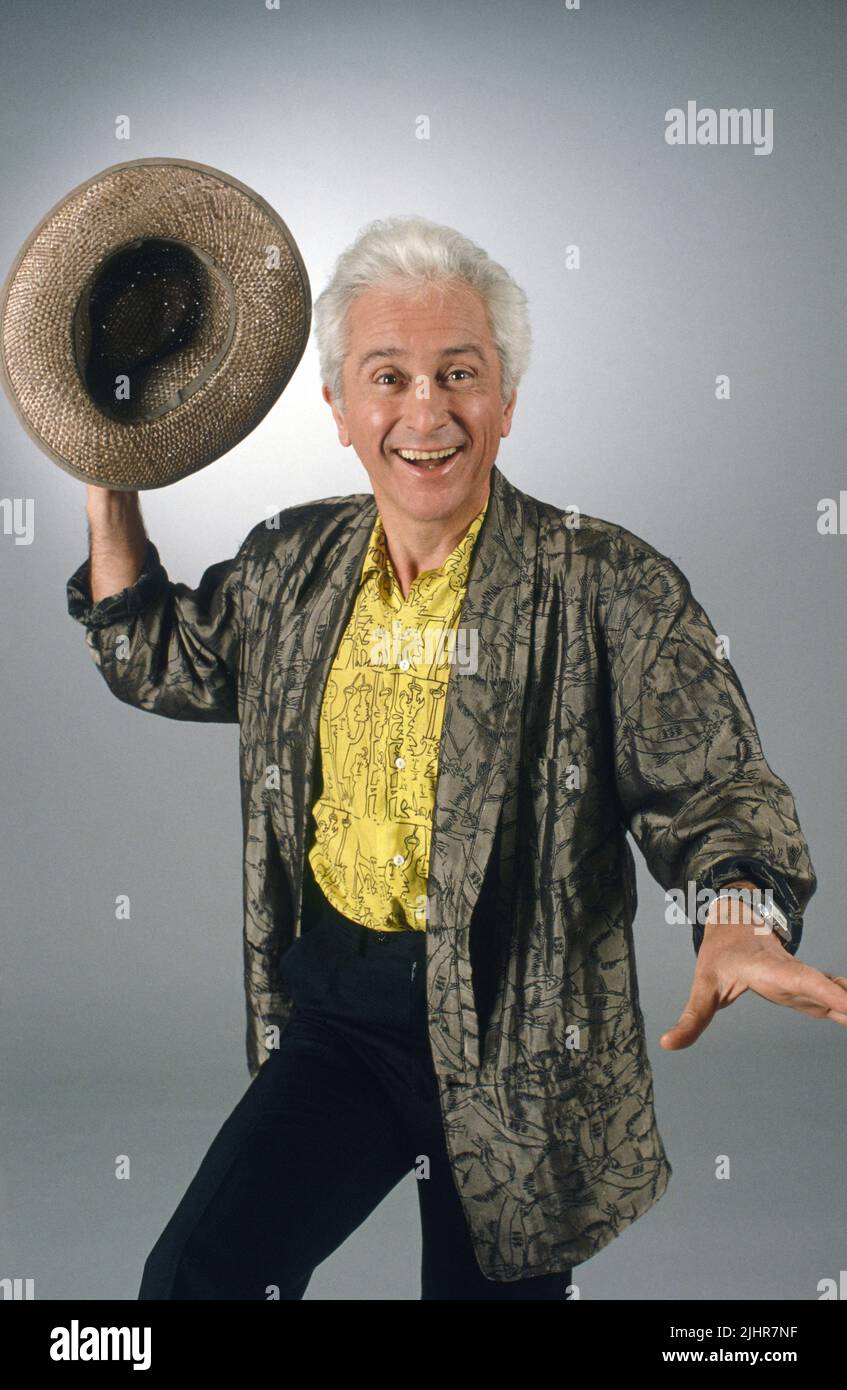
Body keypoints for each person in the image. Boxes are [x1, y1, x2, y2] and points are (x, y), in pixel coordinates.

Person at [67, 216, 842, 1301]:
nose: (426, 410)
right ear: (338, 411)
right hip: (340, 1015)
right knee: (196, 1281)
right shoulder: (293, 562)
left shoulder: (605, 584)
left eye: (459, 374)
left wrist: (736, 913)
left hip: (520, 1037)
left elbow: (712, 784)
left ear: (507, 401)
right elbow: (157, 653)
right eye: (389, 376)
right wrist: (112, 471)